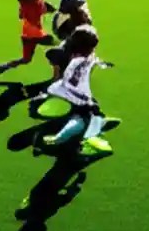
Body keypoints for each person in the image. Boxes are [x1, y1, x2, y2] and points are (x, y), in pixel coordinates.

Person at [36, 25, 119, 157]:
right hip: (72, 94)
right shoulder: (79, 61)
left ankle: (62, 137)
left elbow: (92, 60)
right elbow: (73, 81)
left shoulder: (79, 54)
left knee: (84, 115)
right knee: (89, 114)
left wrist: (102, 64)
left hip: (61, 90)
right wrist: (84, 99)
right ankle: (87, 140)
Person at [0, 0, 56, 84]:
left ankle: (0, 68)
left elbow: (24, 14)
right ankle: (58, 76)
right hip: (35, 33)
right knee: (59, 44)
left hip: (26, 33)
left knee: (26, 60)